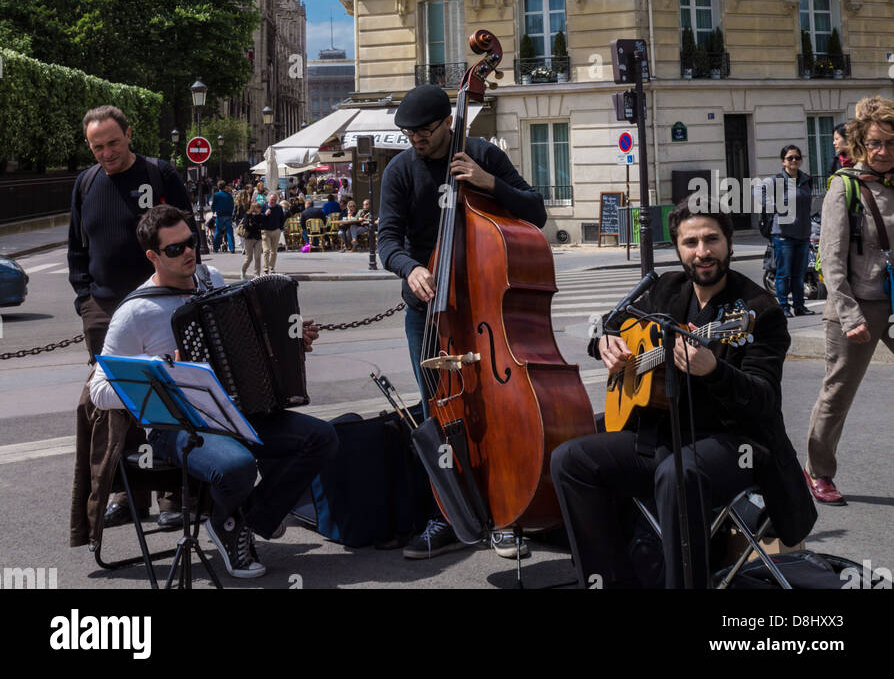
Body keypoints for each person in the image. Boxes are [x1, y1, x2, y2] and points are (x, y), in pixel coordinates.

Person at [550, 199, 816, 589]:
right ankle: (611, 581)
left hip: (736, 445)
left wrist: (715, 371)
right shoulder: (666, 291)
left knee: (678, 475)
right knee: (570, 460)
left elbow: (763, 401)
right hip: (667, 436)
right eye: (690, 242)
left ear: (728, 242)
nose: (702, 251)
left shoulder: (760, 310)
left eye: (712, 239)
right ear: (677, 248)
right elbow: (613, 326)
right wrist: (604, 342)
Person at [89, 206, 338, 578]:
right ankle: (231, 525)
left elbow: (242, 342)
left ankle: (246, 519)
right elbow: (98, 389)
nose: (188, 252)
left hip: (235, 411)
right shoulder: (135, 312)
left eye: (191, 242)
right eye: (175, 249)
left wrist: (289, 341)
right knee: (237, 465)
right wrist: (157, 372)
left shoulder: (212, 279)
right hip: (178, 426)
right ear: (153, 256)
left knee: (322, 438)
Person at [377, 82, 548, 563]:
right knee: (441, 413)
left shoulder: (483, 155)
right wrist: (409, 268)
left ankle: (506, 511)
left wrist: (488, 182)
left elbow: (535, 210)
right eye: (409, 134)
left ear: (449, 121)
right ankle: (449, 515)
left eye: (424, 131)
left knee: (500, 411)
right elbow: (387, 239)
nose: (416, 140)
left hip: (488, 312)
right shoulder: (399, 172)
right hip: (429, 313)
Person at [67, 104, 195, 531]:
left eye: (114, 143)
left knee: (169, 399)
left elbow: (187, 237)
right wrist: (85, 298)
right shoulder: (85, 184)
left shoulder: (160, 175)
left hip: (160, 302)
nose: (107, 153)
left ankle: (173, 495)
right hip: (103, 309)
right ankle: (129, 494)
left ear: (130, 134)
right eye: (97, 146)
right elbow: (76, 248)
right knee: (119, 405)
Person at [805, 96, 894, 506]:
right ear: (861, 144)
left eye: (891, 143)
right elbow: (831, 259)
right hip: (857, 306)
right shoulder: (844, 188)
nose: (883, 151)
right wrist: (849, 315)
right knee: (839, 391)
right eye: (875, 143)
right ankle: (819, 471)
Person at [765, 145, 815, 318]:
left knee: (799, 274)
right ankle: (784, 307)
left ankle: (800, 307)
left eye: (797, 157)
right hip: (783, 235)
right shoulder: (776, 180)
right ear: (783, 161)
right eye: (790, 158)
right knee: (784, 274)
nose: (794, 160)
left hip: (803, 233)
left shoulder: (806, 179)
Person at [236, 188, 263, 278]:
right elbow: (247, 226)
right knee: (249, 258)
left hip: (258, 238)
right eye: (258, 208)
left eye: (260, 208)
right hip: (249, 238)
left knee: (258, 257)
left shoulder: (260, 216)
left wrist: (255, 225)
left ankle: (257, 275)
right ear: (254, 208)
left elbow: (262, 225)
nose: (260, 210)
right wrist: (256, 225)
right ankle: (243, 271)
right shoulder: (248, 215)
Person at [258, 191, 286, 273]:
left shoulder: (279, 207)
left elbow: (282, 218)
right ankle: (265, 267)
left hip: (276, 231)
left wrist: (280, 228)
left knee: (274, 251)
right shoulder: (264, 207)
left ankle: (271, 267)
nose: (273, 201)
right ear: (268, 199)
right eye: (271, 199)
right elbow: (259, 218)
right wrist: (265, 214)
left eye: (274, 199)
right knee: (266, 250)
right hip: (265, 231)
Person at [210, 180, 236, 253]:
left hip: (220, 214)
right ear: (225, 186)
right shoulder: (229, 195)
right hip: (228, 214)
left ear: (218, 187)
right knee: (229, 232)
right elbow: (232, 205)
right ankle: (232, 248)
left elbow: (213, 205)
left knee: (218, 231)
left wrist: (213, 211)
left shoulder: (216, 195)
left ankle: (215, 248)